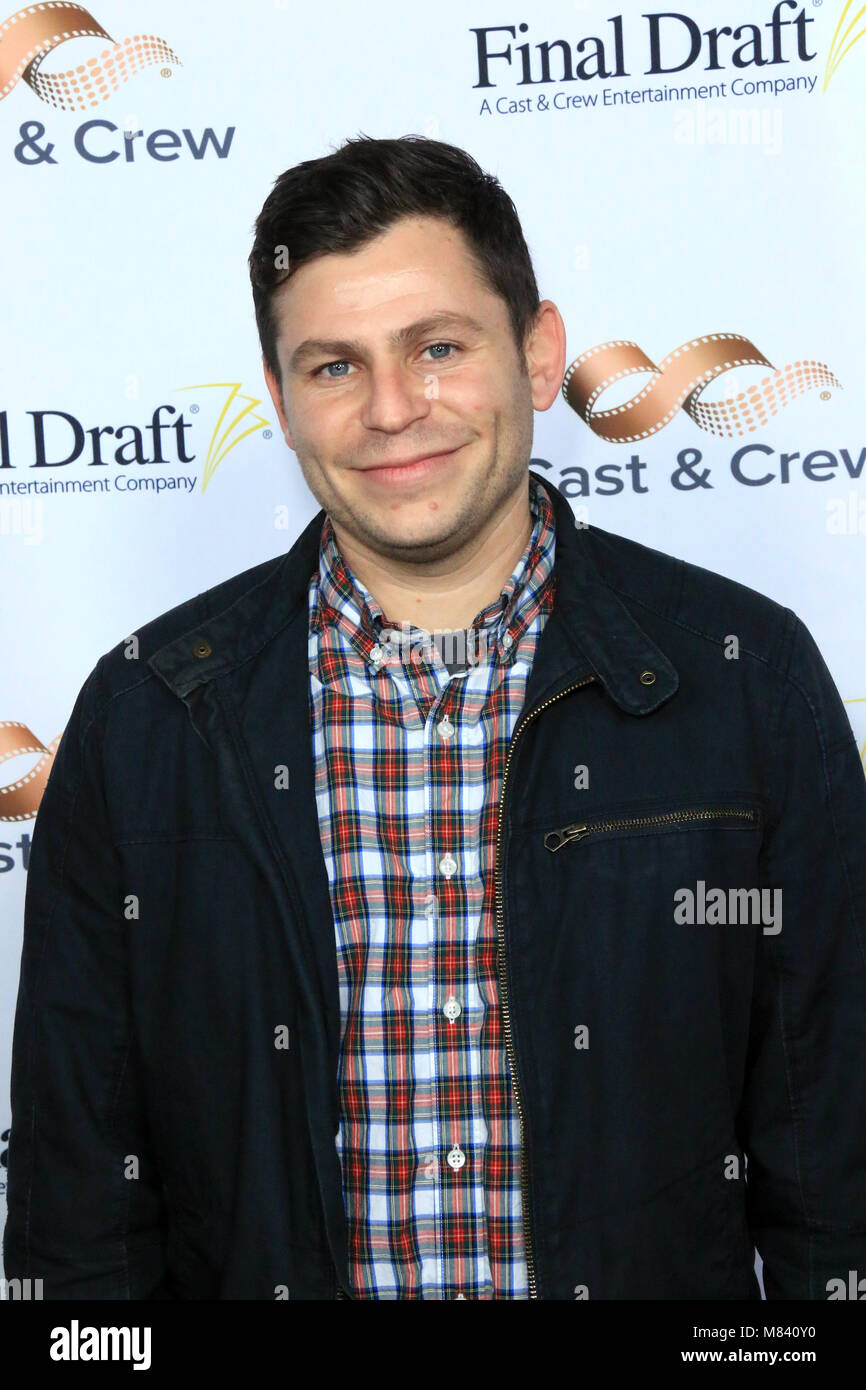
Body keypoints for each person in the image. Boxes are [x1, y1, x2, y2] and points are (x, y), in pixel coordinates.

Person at [4, 135, 866, 1300]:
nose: (393, 409)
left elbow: (834, 1172)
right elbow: (79, 1215)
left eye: (438, 347)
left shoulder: (740, 675)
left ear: (537, 350)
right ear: (279, 401)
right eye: (332, 367)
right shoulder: (148, 710)